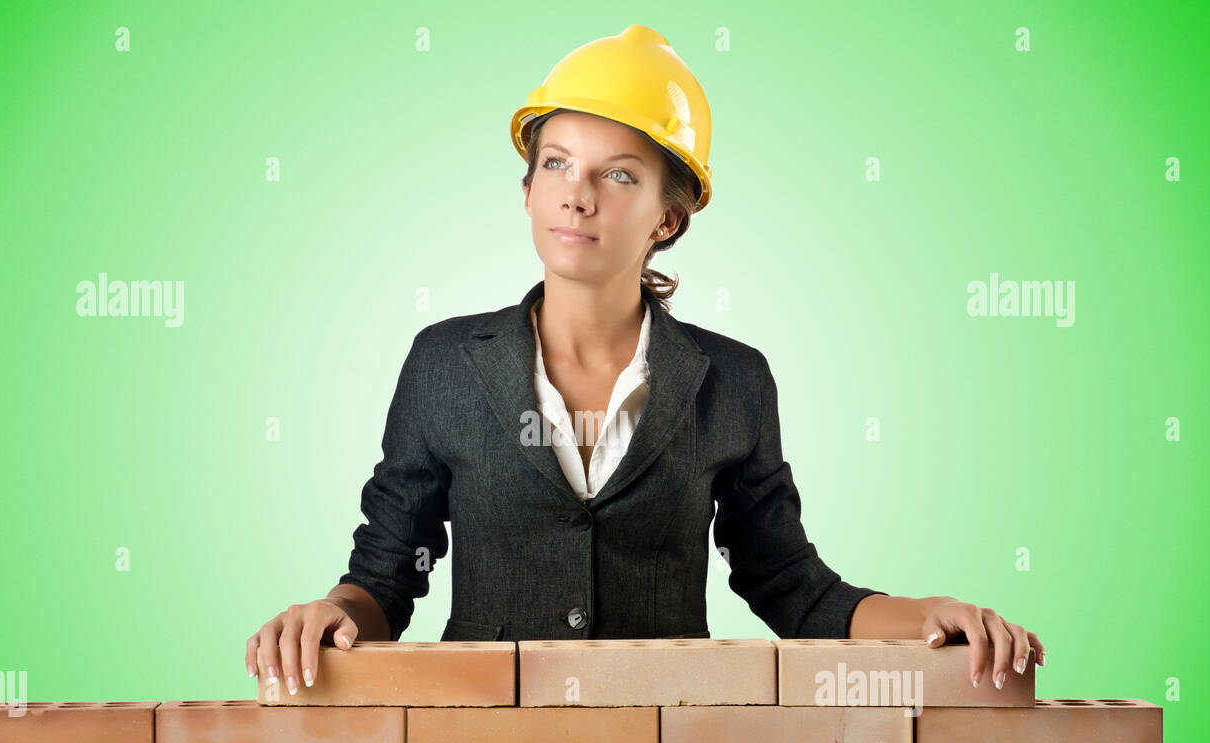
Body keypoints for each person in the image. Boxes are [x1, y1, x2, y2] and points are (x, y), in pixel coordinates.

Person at [246, 25, 1046, 697]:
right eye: (555, 163)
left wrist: (928, 613)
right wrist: (335, 611)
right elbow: (390, 569)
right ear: (526, 190)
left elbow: (788, 585)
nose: (576, 194)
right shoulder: (445, 364)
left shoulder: (732, 382)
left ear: (669, 216)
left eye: (616, 175)